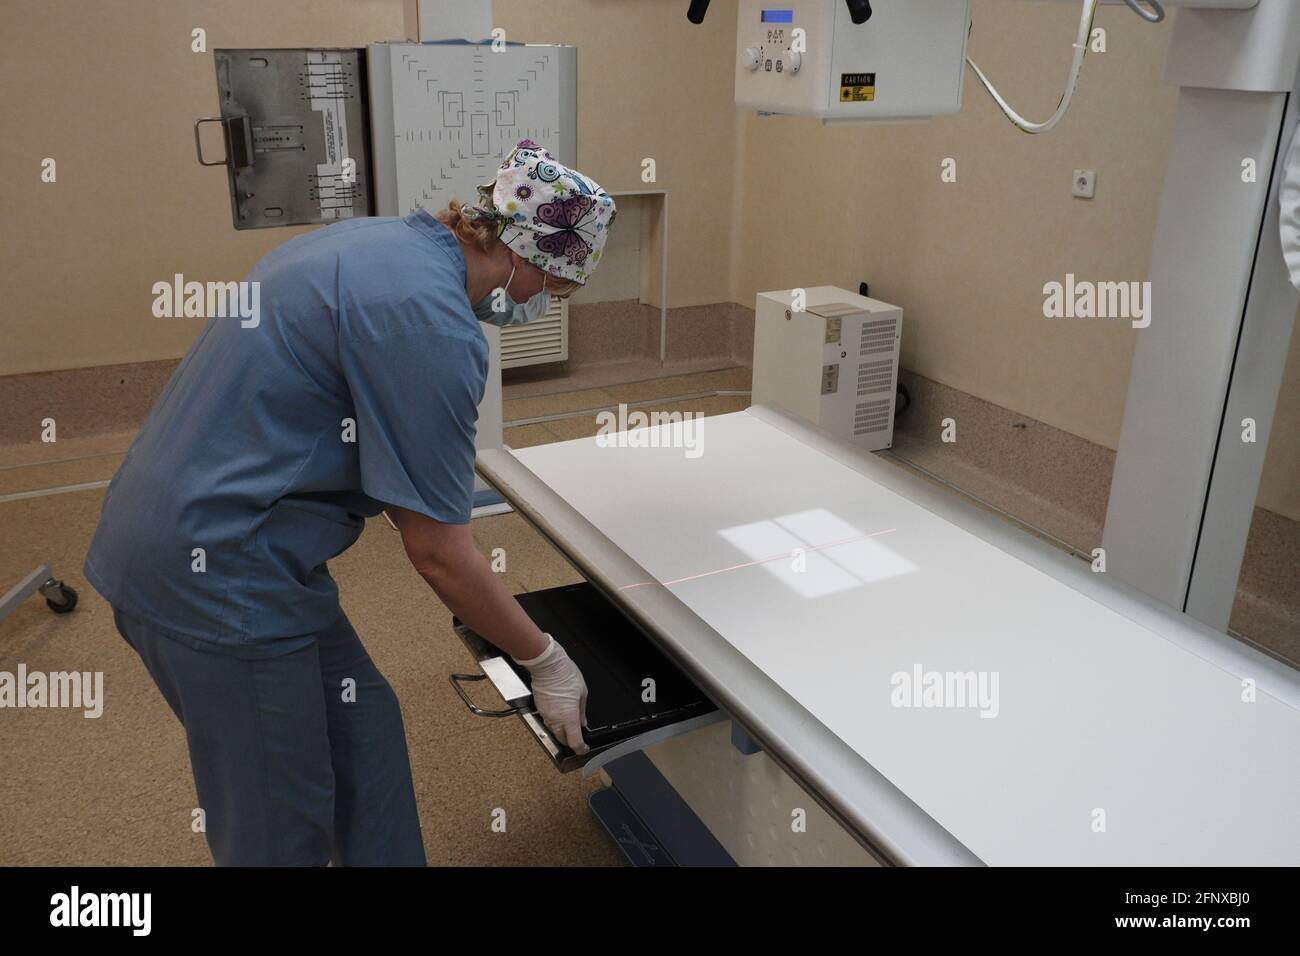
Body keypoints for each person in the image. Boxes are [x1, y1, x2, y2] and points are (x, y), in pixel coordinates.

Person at [83, 140, 618, 866]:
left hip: (215, 531)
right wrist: (545, 659)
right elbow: (437, 553)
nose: (535, 306)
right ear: (530, 256)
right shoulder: (429, 324)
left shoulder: (375, 241)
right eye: (550, 290)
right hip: (216, 573)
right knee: (280, 821)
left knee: (363, 737)